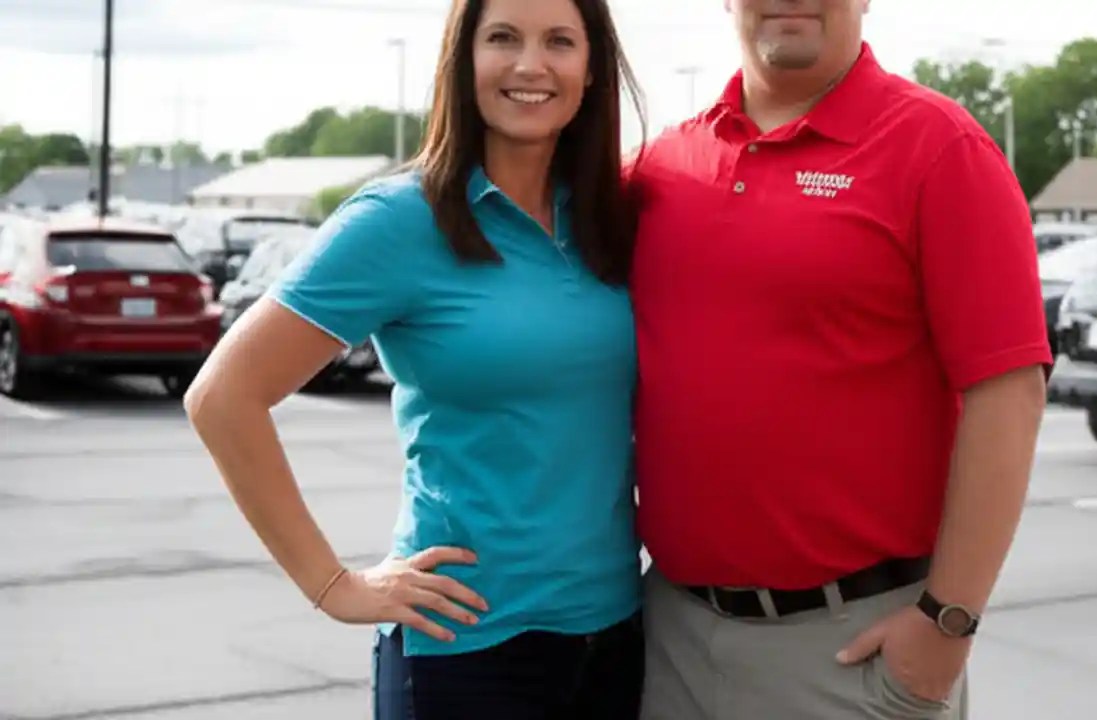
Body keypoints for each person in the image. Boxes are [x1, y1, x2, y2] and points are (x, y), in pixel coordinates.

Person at [184, 0, 648, 717]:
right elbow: (222, 397)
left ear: (591, 72)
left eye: (560, 41)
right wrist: (331, 584)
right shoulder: (401, 219)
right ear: (463, 63)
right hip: (466, 646)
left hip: (615, 632)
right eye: (503, 38)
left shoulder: (609, 219)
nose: (531, 64)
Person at [625, 1, 1051, 719]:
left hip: (850, 654)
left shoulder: (939, 149)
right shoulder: (665, 165)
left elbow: (1009, 394)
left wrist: (948, 621)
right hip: (668, 643)